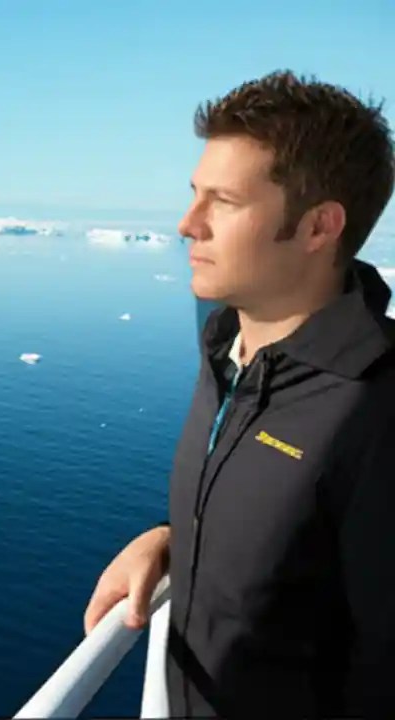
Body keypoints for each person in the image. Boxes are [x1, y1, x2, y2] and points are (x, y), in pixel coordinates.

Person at [83, 70, 395, 718]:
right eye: (195, 194)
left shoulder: (375, 409)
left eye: (222, 201)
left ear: (317, 228)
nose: (186, 224)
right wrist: (168, 538)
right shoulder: (226, 343)